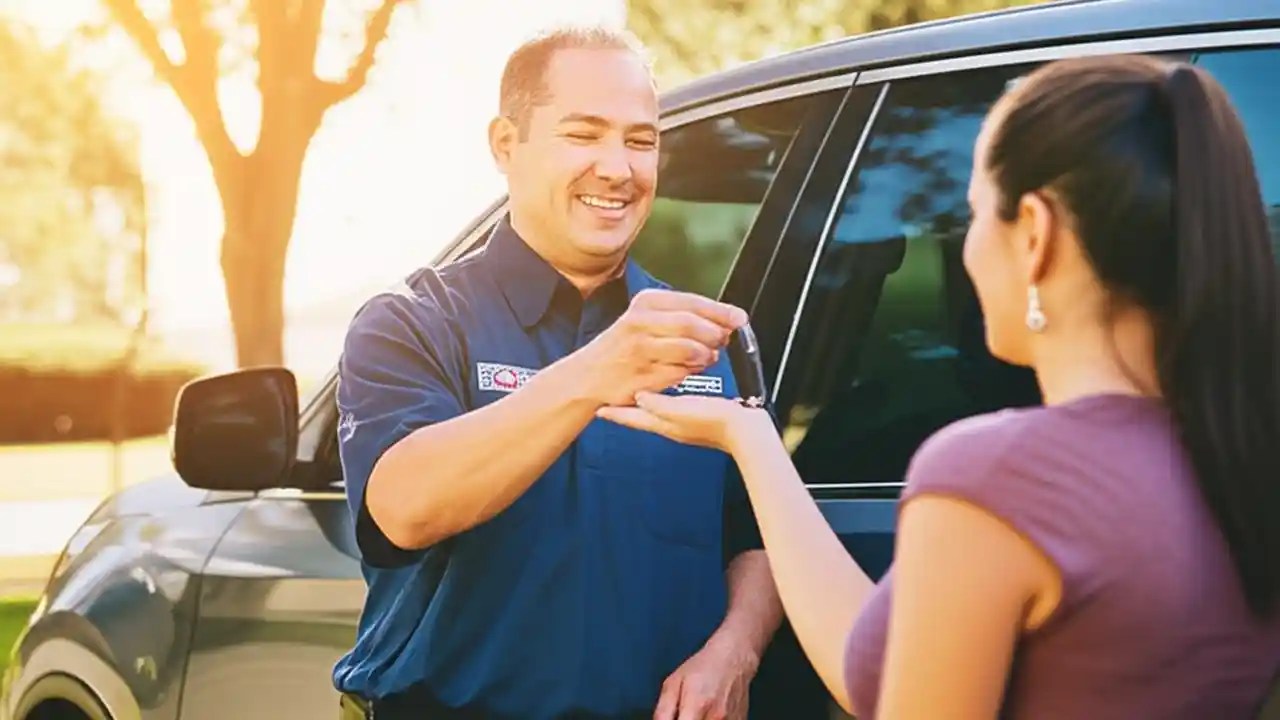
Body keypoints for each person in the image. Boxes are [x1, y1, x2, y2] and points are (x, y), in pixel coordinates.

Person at [600, 54, 1280, 719]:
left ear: (1035, 233)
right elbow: (893, 668)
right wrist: (751, 441)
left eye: (975, 215)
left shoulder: (999, 476)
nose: (965, 248)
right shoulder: (1239, 461)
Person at [331, 25, 783, 720]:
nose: (618, 168)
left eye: (641, 141)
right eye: (584, 134)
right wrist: (599, 370)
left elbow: (760, 538)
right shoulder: (414, 322)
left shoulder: (702, 340)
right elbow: (405, 508)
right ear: (505, 146)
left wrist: (736, 649)